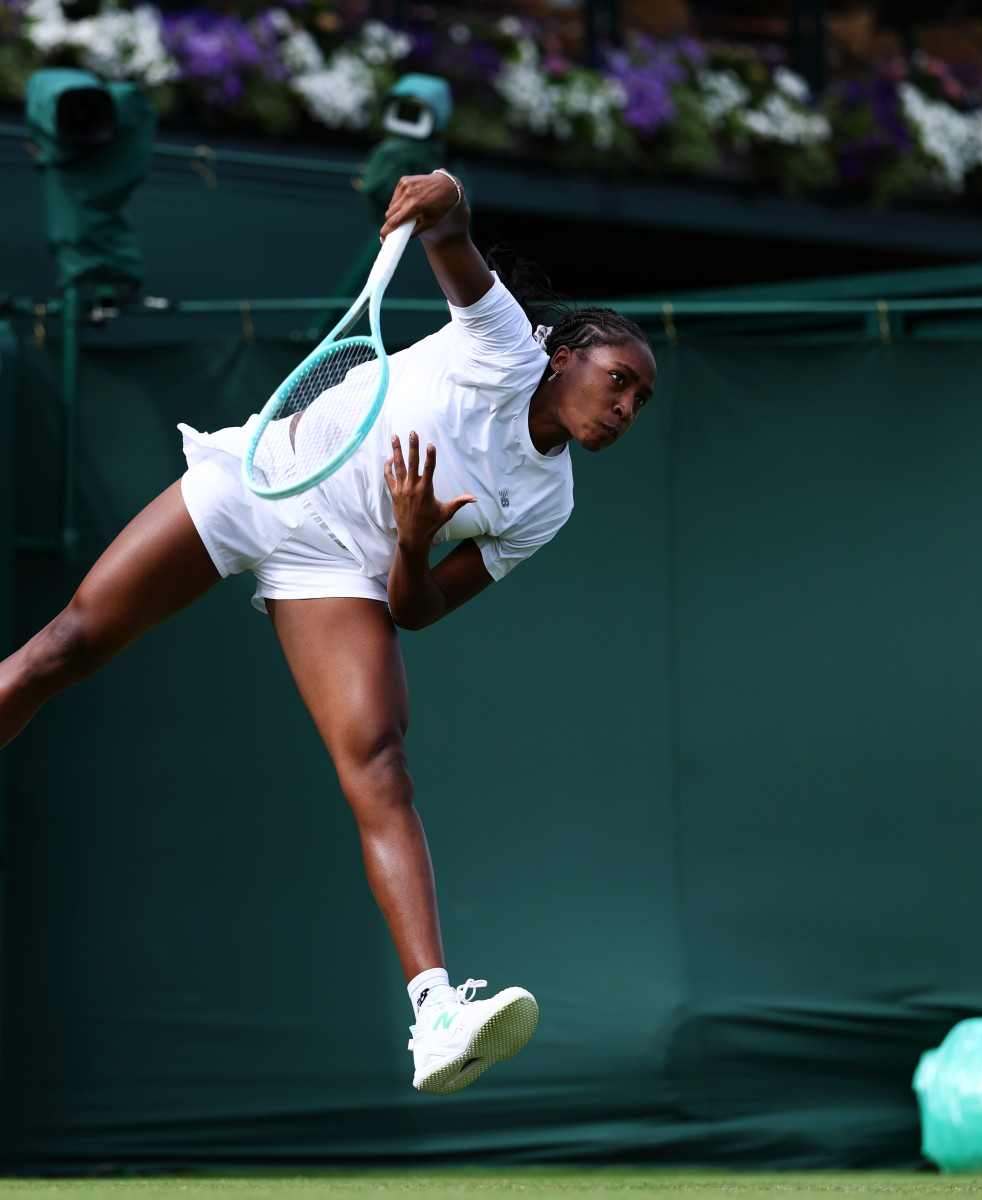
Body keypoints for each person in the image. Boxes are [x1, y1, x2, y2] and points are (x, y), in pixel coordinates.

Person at [0, 170, 657, 1095]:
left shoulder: (547, 502)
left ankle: (435, 1013)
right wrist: (445, 192)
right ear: (564, 359)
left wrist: (417, 541)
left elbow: (413, 611)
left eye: (640, 402)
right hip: (256, 482)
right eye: (619, 381)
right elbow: (452, 233)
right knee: (66, 647)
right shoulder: (505, 343)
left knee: (381, 762)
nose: (627, 408)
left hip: (340, 570)